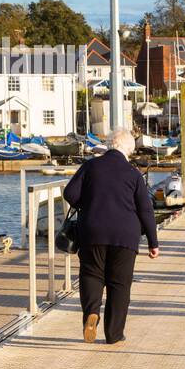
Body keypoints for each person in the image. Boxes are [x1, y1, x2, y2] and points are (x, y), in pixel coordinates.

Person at [63, 128, 159, 346]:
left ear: (108, 145)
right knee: (120, 284)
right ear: (129, 150)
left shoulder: (90, 166)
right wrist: (153, 242)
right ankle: (114, 334)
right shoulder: (133, 174)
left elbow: (70, 193)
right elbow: (145, 210)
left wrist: (87, 204)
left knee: (91, 274)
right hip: (125, 235)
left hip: (92, 231)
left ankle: (92, 313)